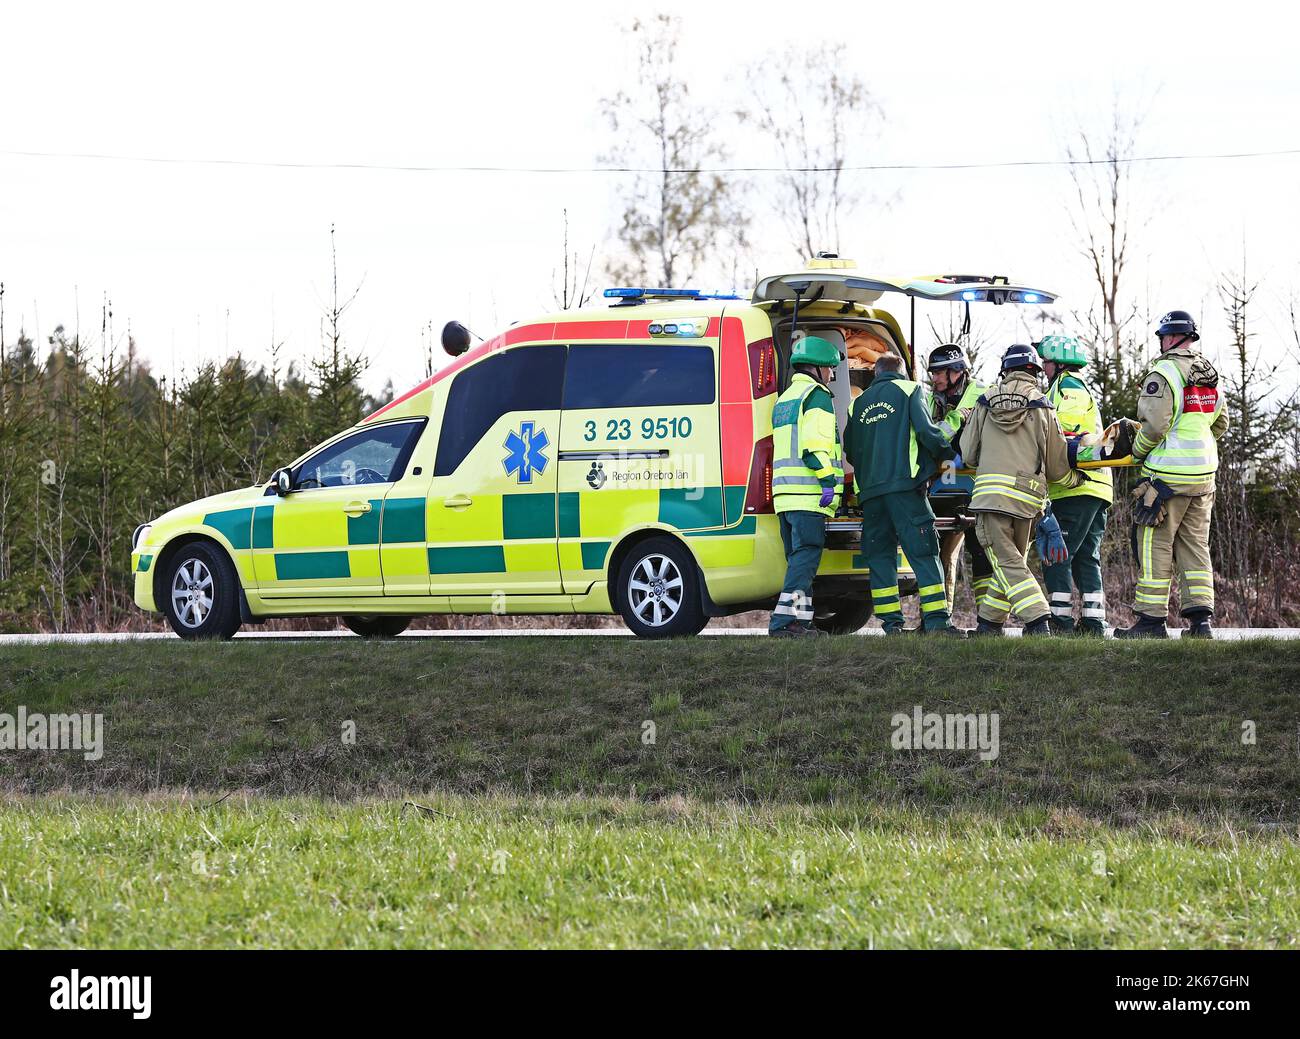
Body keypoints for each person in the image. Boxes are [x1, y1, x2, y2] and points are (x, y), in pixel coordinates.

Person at [1115, 311, 1229, 639]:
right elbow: (1220, 424)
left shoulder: (1164, 371)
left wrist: (1135, 452)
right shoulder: (1208, 373)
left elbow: (1154, 426)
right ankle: (1200, 623)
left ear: (1169, 338)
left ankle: (1151, 622)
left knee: (1154, 543)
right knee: (1195, 546)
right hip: (1204, 476)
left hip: (1166, 479)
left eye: (1162, 337)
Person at [960, 344, 1085, 636]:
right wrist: (1073, 481)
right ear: (1035, 372)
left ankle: (1038, 620)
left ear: (1005, 370)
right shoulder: (1042, 404)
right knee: (1011, 562)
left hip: (991, 497)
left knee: (1007, 564)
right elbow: (1056, 465)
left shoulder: (985, 401)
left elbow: (967, 454)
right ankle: (988, 625)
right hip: (1028, 500)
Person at [843, 351, 963, 637]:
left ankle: (891, 625)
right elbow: (927, 432)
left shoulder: (856, 403)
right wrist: (948, 458)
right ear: (902, 372)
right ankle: (936, 621)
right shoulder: (910, 390)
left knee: (880, 556)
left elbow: (850, 449)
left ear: (875, 373)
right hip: (905, 489)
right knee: (924, 551)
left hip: (870, 494)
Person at [1035, 335, 1113, 635]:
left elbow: (1064, 429)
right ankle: (1093, 622)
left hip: (1075, 487)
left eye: (1046, 362)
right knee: (1085, 557)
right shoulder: (1074, 384)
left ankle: (1061, 621)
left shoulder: (1067, 386)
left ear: (1059, 362)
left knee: (1056, 555)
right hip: (1096, 486)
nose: (1043, 368)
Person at [768, 335, 844, 637]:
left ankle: (800, 622)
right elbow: (814, 448)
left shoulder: (785, 398)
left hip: (784, 497)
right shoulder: (817, 397)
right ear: (818, 368)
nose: (833, 375)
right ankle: (784, 622)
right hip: (808, 495)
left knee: (798, 562)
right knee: (806, 558)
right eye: (831, 368)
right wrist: (827, 480)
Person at [924, 344, 997, 617]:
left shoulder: (981, 394)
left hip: (977, 488)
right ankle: (939, 620)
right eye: (932, 373)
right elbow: (932, 436)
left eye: (940, 373)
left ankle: (988, 620)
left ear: (957, 371)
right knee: (943, 557)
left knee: (981, 555)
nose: (935, 379)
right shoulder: (933, 400)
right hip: (943, 488)